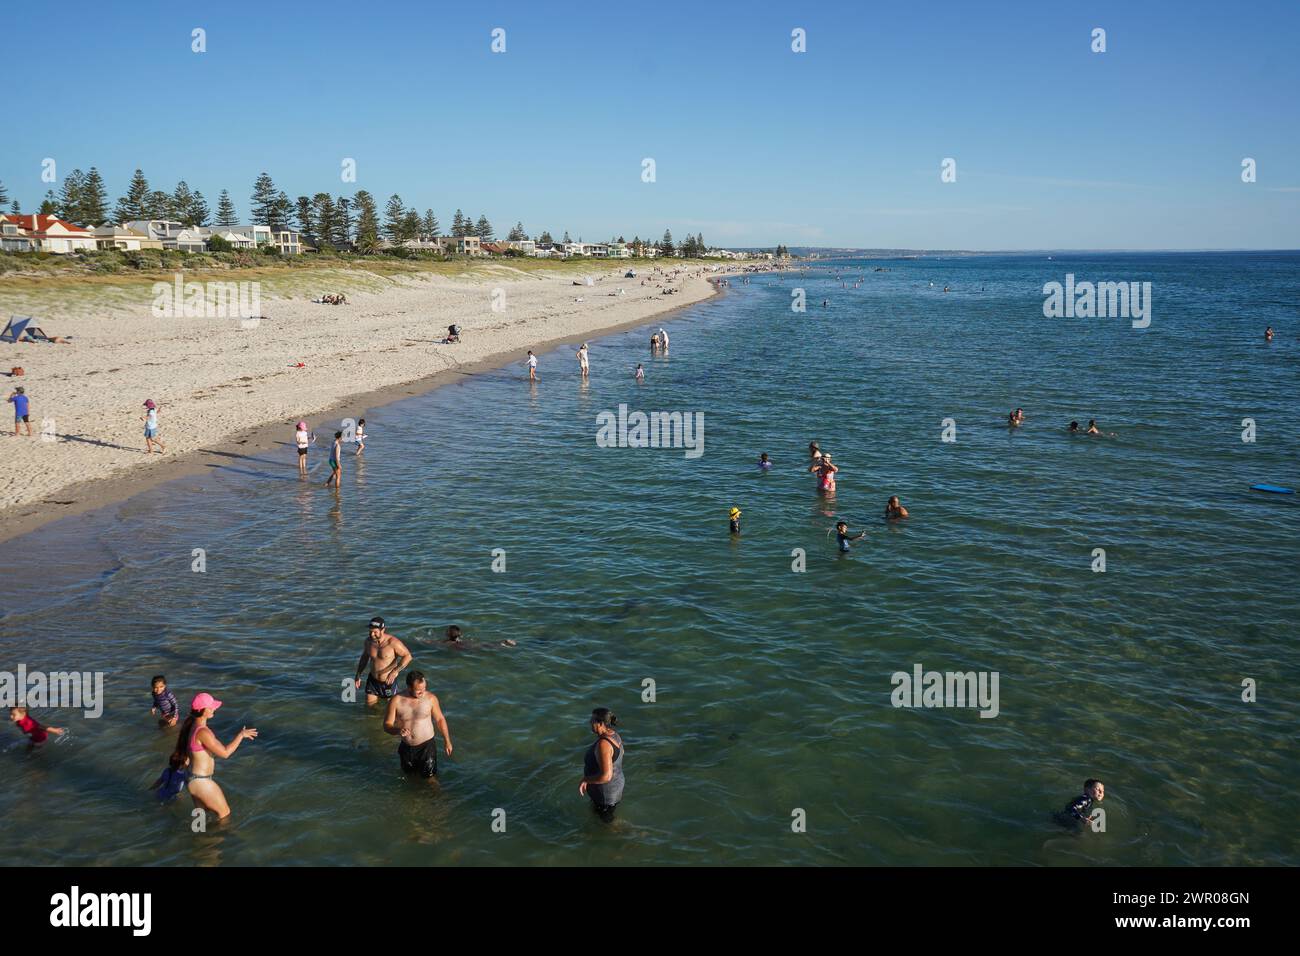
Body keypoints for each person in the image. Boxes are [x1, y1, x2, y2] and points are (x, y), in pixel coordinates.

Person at [175, 692, 257, 821]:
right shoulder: (203, 731)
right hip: (201, 782)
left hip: (191, 779)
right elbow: (225, 753)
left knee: (200, 821)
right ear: (203, 710)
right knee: (225, 815)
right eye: (211, 706)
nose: (214, 709)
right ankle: (220, 840)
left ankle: (200, 838)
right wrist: (241, 735)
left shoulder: (192, 726)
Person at [383, 671, 452, 781]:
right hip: (406, 747)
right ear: (409, 688)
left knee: (430, 779)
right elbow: (387, 725)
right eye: (419, 691)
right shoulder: (396, 701)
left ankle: (437, 797)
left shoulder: (430, 699)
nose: (423, 692)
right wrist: (398, 730)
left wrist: (447, 741)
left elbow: (440, 719)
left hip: (427, 747)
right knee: (409, 778)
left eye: (424, 688)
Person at [578, 707, 625, 822]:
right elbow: (620, 754)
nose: (590, 722)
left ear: (600, 724)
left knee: (608, 824)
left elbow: (606, 776)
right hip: (615, 787)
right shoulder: (614, 735)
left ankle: (632, 832)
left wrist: (585, 780)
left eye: (592, 720)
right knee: (602, 817)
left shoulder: (604, 744)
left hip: (606, 794)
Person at [354, 616, 412, 705]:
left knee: (390, 708)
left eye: (375, 632)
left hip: (388, 682)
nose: (372, 634)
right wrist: (358, 675)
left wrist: (395, 671)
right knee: (370, 707)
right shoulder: (368, 642)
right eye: (370, 631)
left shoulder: (392, 642)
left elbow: (407, 656)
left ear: (383, 629)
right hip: (372, 680)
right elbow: (364, 658)